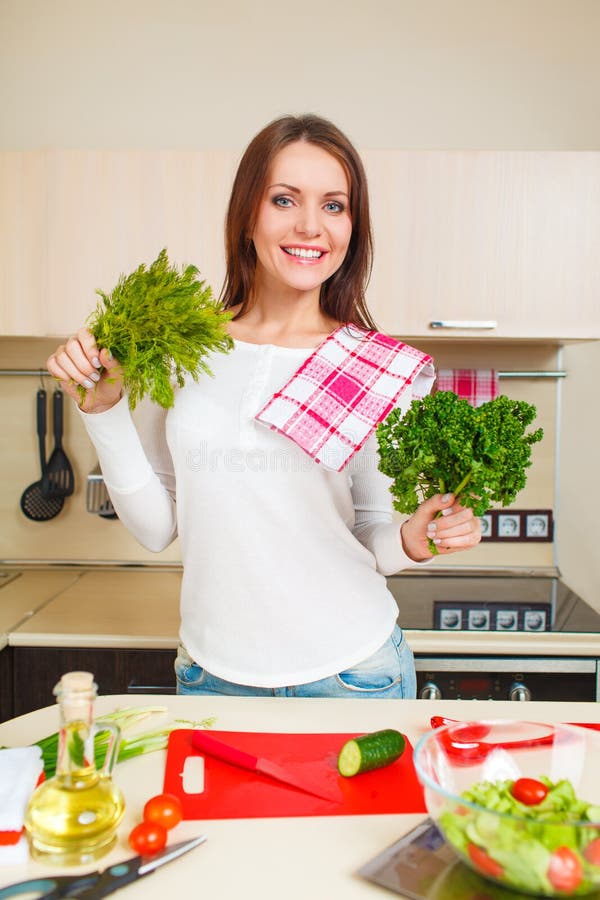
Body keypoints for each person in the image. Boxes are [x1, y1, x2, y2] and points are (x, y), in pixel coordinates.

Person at [47, 114, 481, 699]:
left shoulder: (377, 368)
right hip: (209, 675)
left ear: (354, 226)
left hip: (352, 673)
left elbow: (375, 530)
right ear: (247, 215)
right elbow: (157, 528)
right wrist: (102, 412)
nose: (311, 226)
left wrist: (411, 539)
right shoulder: (182, 349)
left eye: (334, 205)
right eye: (284, 199)